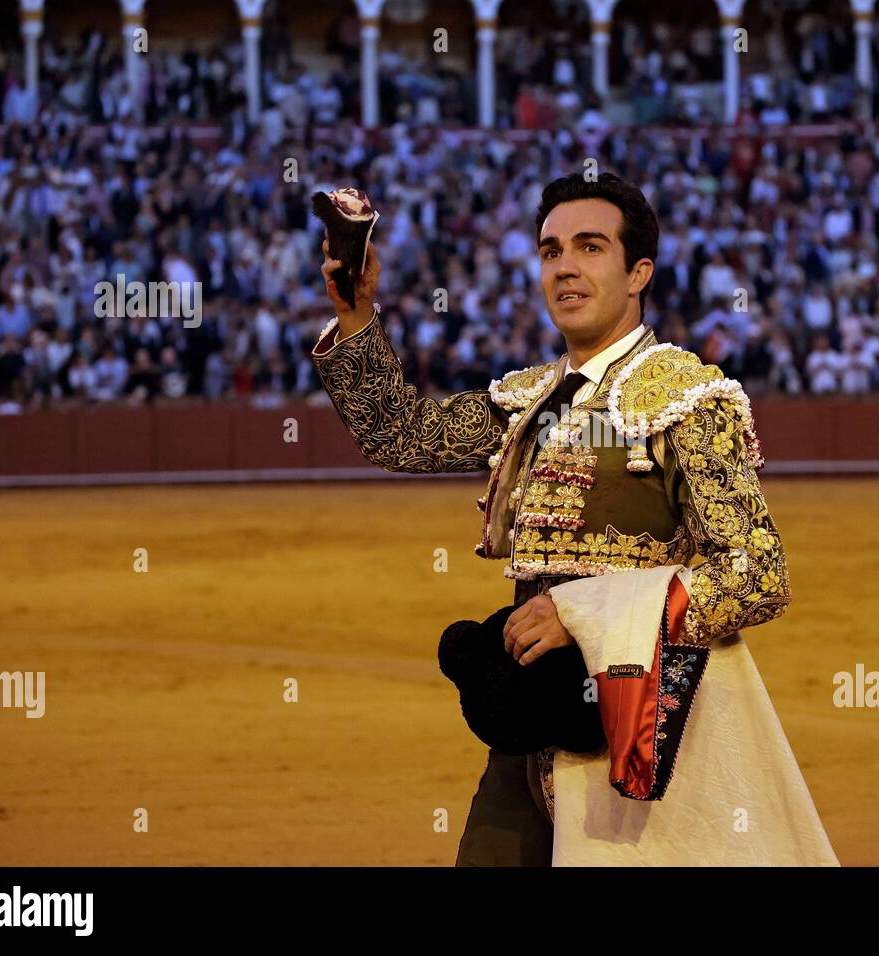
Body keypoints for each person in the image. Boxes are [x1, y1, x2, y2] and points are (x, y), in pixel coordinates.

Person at [311, 172, 837, 867]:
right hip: (531, 723)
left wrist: (582, 613)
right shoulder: (531, 400)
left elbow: (755, 574)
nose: (565, 266)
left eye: (590, 247)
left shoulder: (685, 397)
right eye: (550, 250)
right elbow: (402, 437)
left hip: (638, 724)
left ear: (638, 271)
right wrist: (356, 315)